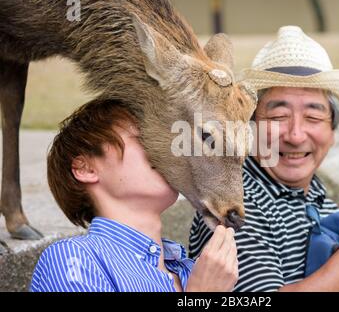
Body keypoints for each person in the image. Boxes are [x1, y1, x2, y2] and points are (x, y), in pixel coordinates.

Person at [189, 26, 339, 292]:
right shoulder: (233, 205)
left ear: (332, 133)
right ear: (250, 126)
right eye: (279, 116)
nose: (295, 134)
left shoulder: (321, 201)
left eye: (313, 117)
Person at [30, 98, 238, 292]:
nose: (165, 150)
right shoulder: (74, 257)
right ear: (85, 169)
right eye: (144, 137)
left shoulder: (194, 270)